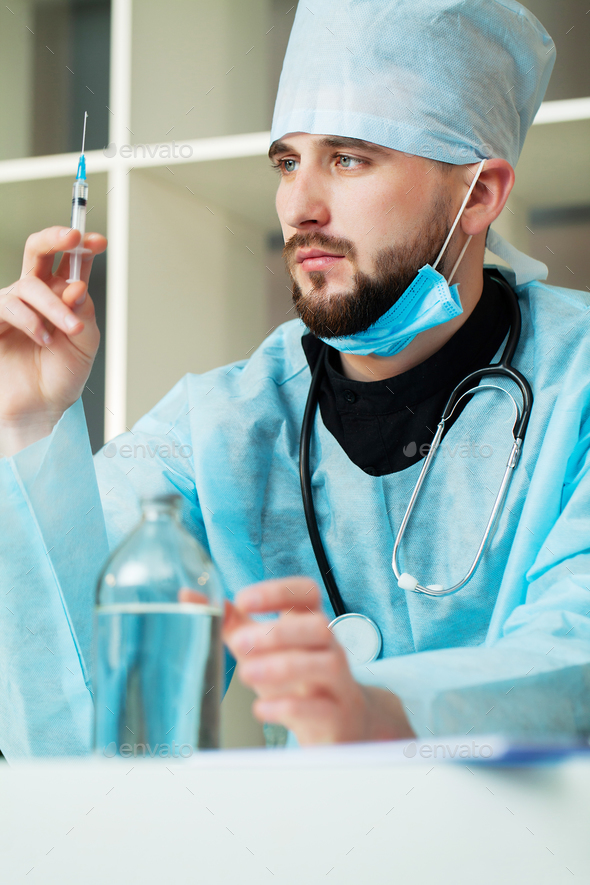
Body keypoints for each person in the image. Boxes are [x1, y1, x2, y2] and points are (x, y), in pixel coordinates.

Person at [1, 0, 590, 759]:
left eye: (348, 158)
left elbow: (572, 655)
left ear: (477, 194)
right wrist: (25, 423)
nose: (300, 208)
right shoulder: (221, 425)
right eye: (288, 162)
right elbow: (82, 731)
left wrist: (381, 709)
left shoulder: (575, 384)